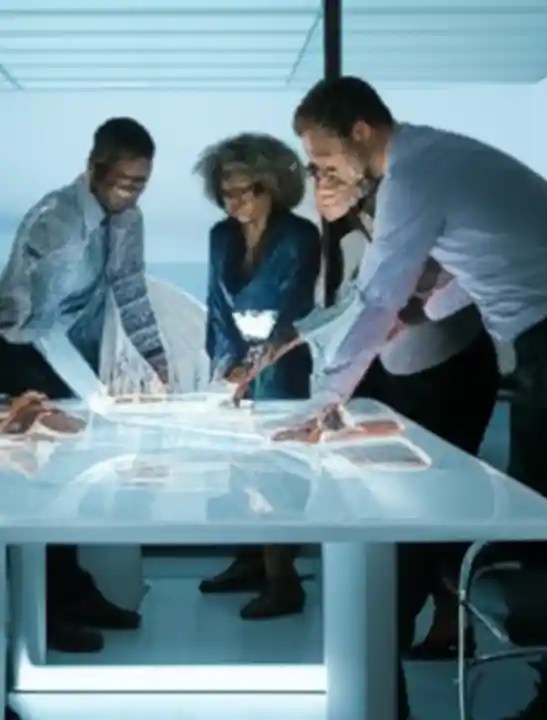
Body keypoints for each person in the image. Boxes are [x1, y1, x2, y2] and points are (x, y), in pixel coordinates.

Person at [245, 76, 547, 576]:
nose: (322, 175)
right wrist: (413, 317)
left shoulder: (411, 177)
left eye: (325, 160)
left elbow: (375, 296)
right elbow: (470, 267)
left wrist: (326, 399)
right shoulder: (434, 156)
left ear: (361, 131)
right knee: (544, 502)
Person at [306, 175, 500, 720]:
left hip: (448, 369)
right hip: (400, 372)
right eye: (312, 175)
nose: (319, 185)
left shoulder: (405, 209)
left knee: (423, 517)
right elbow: (352, 306)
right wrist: (293, 342)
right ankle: (406, 654)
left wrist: (411, 317)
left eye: (326, 171)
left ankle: (390, 667)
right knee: (407, 518)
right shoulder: (354, 233)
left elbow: (410, 297)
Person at [0, 117, 169, 654]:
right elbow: (39, 323)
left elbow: (129, 289)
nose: (132, 192)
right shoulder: (58, 221)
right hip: (21, 355)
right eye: (125, 182)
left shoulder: (128, 218)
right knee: (39, 489)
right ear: (95, 169)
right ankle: (45, 611)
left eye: (141, 183)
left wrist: (157, 361)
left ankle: (73, 592)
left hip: (69, 355)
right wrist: (94, 392)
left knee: (69, 484)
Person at [193, 133, 320, 620]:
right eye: (228, 191)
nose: (236, 200)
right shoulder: (219, 237)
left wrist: (260, 363)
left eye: (247, 190)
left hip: (284, 364)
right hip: (237, 367)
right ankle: (249, 562)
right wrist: (227, 364)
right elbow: (216, 309)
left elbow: (296, 310)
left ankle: (284, 581)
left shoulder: (299, 236)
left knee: (277, 470)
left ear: (272, 187)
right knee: (235, 464)